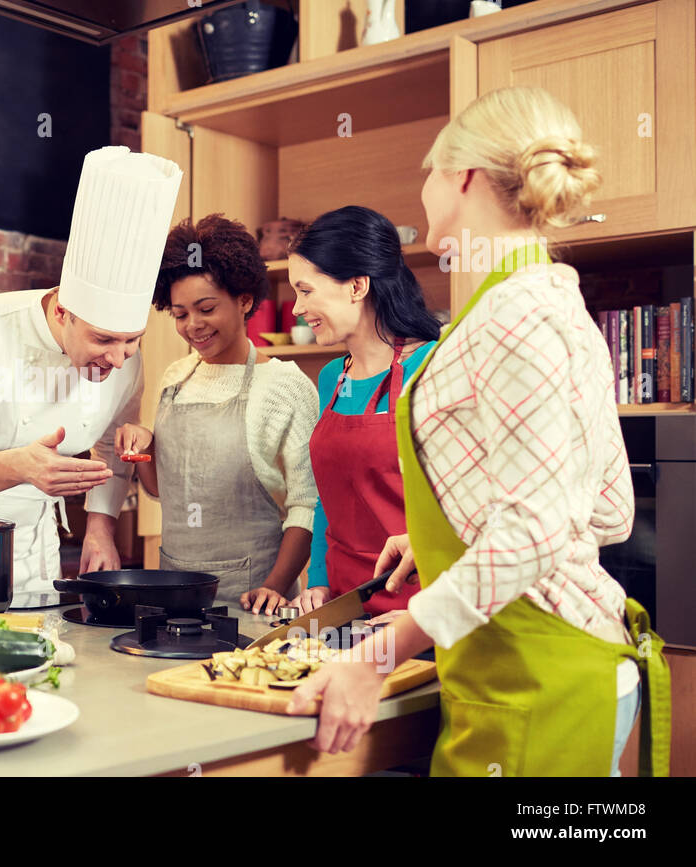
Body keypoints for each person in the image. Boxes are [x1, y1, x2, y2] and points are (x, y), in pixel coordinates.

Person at [290, 87, 669, 777]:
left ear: (461, 176)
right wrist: (445, 531)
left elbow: (536, 528)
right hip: (546, 663)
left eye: (428, 175)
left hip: (536, 675)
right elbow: (608, 508)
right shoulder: (552, 300)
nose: (424, 195)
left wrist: (378, 655)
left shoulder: (511, 319)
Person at [0, 146, 182, 608]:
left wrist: (100, 525)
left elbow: (112, 446)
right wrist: (19, 466)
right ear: (63, 310)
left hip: (37, 559)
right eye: (104, 340)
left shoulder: (127, 356)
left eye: (132, 340)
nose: (119, 358)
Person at [116, 214, 318, 610]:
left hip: (253, 601)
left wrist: (275, 587)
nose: (193, 326)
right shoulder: (176, 378)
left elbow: (306, 504)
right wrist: (141, 449)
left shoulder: (285, 387)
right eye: (179, 314)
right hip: (173, 593)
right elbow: (161, 490)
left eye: (206, 309)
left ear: (244, 300)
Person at [258, 206, 439, 617]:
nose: (298, 307)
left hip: (418, 606)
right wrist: (318, 582)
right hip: (343, 603)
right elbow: (327, 498)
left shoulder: (433, 368)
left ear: (357, 286)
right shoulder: (331, 378)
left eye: (306, 290)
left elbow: (459, 505)